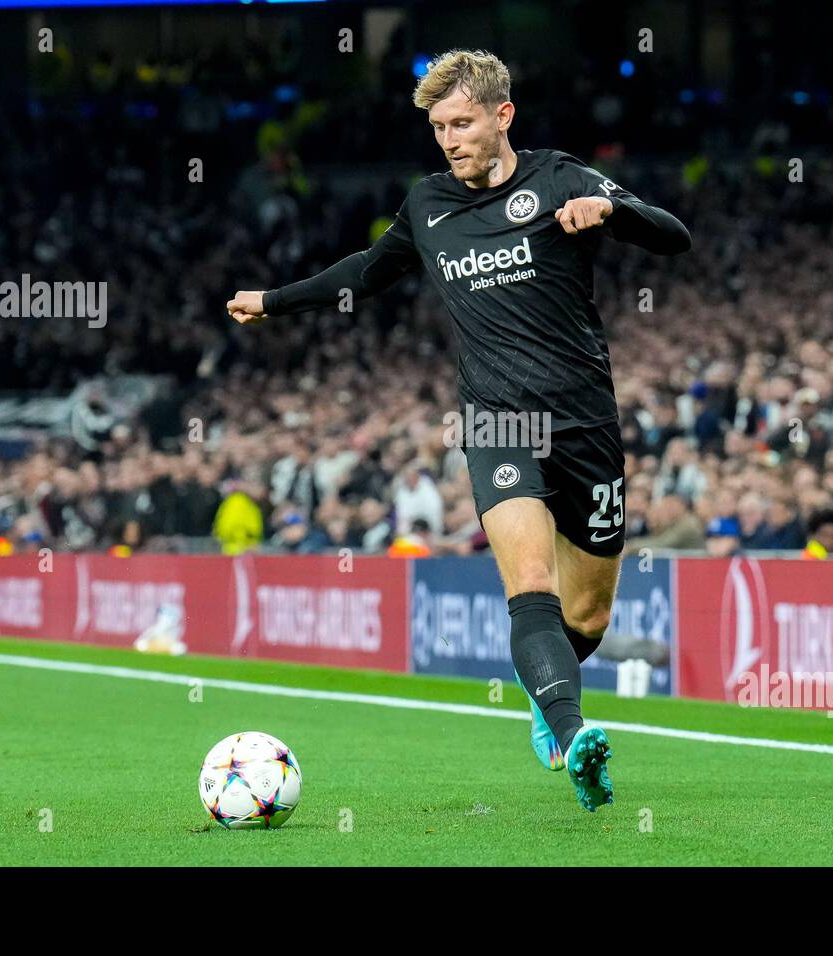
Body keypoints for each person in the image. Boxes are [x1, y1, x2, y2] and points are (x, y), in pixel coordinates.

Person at [228, 49, 691, 812]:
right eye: (439, 126)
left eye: (463, 122)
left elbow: (674, 234)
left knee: (588, 614)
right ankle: (575, 735)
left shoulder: (563, 178)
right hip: (498, 421)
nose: (449, 138)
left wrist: (613, 212)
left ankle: (546, 690)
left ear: (502, 116)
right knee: (530, 585)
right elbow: (365, 273)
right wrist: (273, 301)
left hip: (585, 422)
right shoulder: (428, 205)